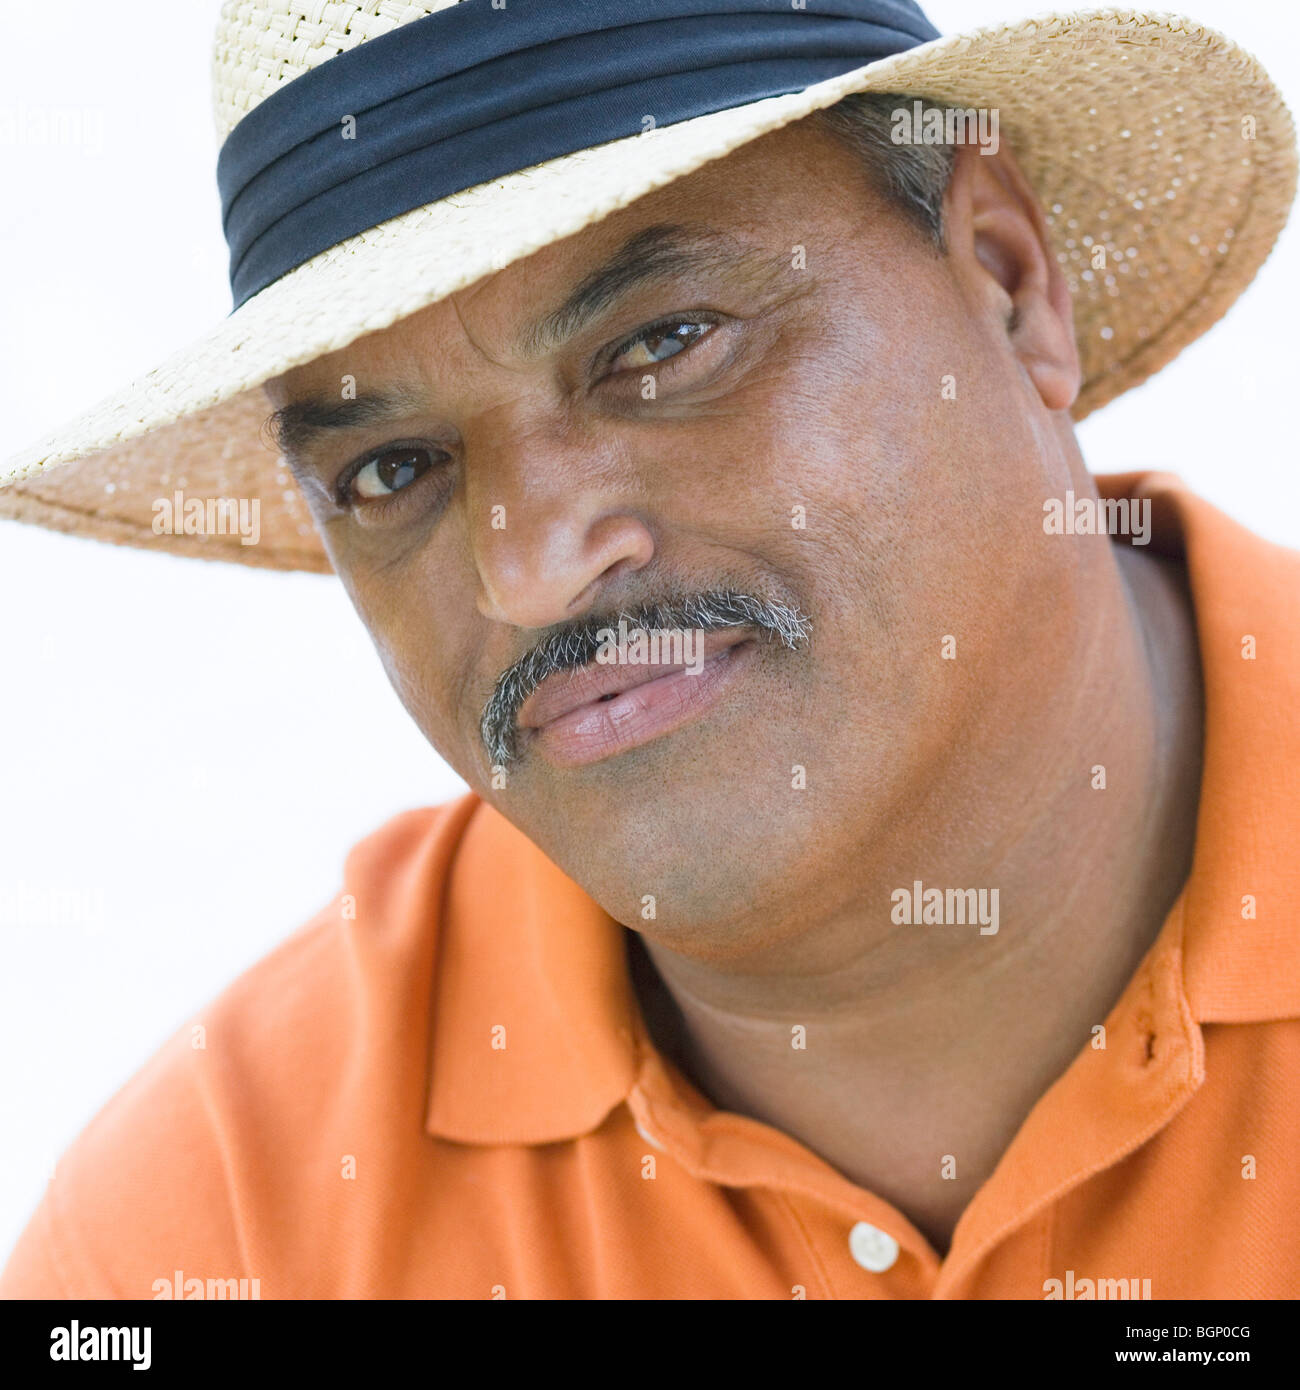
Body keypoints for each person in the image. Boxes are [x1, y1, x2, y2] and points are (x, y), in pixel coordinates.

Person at [2, 0, 1297, 1299]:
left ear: (1011, 280)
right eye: (394, 468)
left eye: (660, 346)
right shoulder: (219, 1233)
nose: (530, 569)